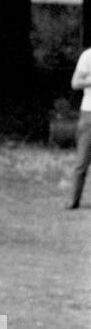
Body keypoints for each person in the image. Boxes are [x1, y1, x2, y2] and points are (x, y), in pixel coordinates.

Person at [67, 43, 91, 209]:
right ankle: (73, 201)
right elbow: (75, 83)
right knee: (82, 161)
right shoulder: (88, 56)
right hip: (89, 114)